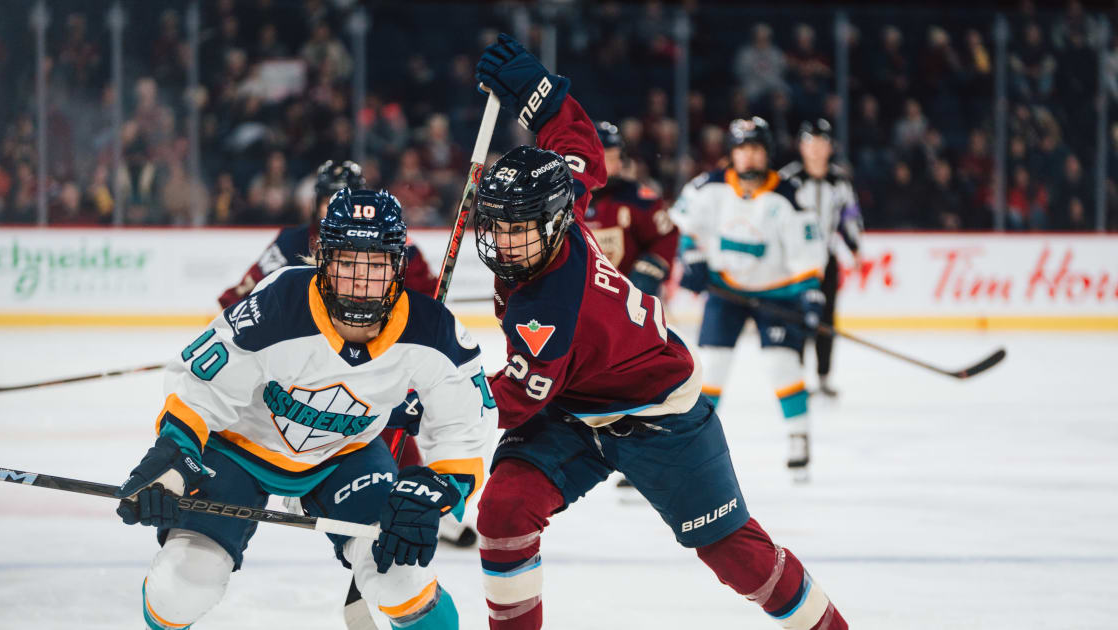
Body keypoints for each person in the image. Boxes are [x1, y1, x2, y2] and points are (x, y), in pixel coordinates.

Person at [470, 34, 846, 630]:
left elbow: (515, 397)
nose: (507, 242)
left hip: (660, 414)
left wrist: (424, 406)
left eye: (521, 228)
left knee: (735, 555)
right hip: (576, 404)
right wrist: (538, 95)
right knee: (504, 511)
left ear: (552, 221)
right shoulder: (560, 202)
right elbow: (579, 146)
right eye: (500, 225)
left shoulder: (548, 301)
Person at [116, 189, 495, 630]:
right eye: (347, 263)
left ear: (398, 267)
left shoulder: (434, 331)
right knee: (182, 587)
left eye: (375, 265)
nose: (360, 281)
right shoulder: (281, 302)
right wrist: (175, 458)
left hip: (345, 456)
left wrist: (441, 487)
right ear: (322, 259)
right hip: (241, 449)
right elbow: (203, 384)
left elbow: (464, 424)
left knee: (402, 580)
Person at [671, 116, 827, 479]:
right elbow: (681, 228)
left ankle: (798, 437)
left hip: (777, 294)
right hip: (726, 291)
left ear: (767, 153)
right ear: (732, 154)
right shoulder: (707, 187)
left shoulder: (788, 195)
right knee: (711, 366)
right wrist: (690, 256)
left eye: (756, 149)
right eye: (742, 150)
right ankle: (693, 445)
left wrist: (810, 295)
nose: (749, 157)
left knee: (781, 365)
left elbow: (808, 250)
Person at [217, 160, 438, 309]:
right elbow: (243, 294)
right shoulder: (291, 242)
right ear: (316, 204)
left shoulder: (394, 244)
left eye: (344, 203)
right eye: (328, 202)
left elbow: (428, 298)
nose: (336, 212)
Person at [777, 119, 864, 397]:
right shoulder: (788, 179)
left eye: (821, 143)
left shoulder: (839, 182)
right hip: (794, 261)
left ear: (830, 147)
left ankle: (824, 377)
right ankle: (796, 377)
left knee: (826, 319)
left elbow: (849, 217)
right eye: (810, 142)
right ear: (801, 146)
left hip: (826, 260)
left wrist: (854, 247)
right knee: (796, 317)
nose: (815, 149)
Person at [584, 120, 679, 297]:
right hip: (578, 298)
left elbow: (666, 234)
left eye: (618, 157)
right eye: (611, 158)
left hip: (625, 298)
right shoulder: (562, 198)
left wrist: (654, 264)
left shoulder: (638, 198)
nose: (619, 165)